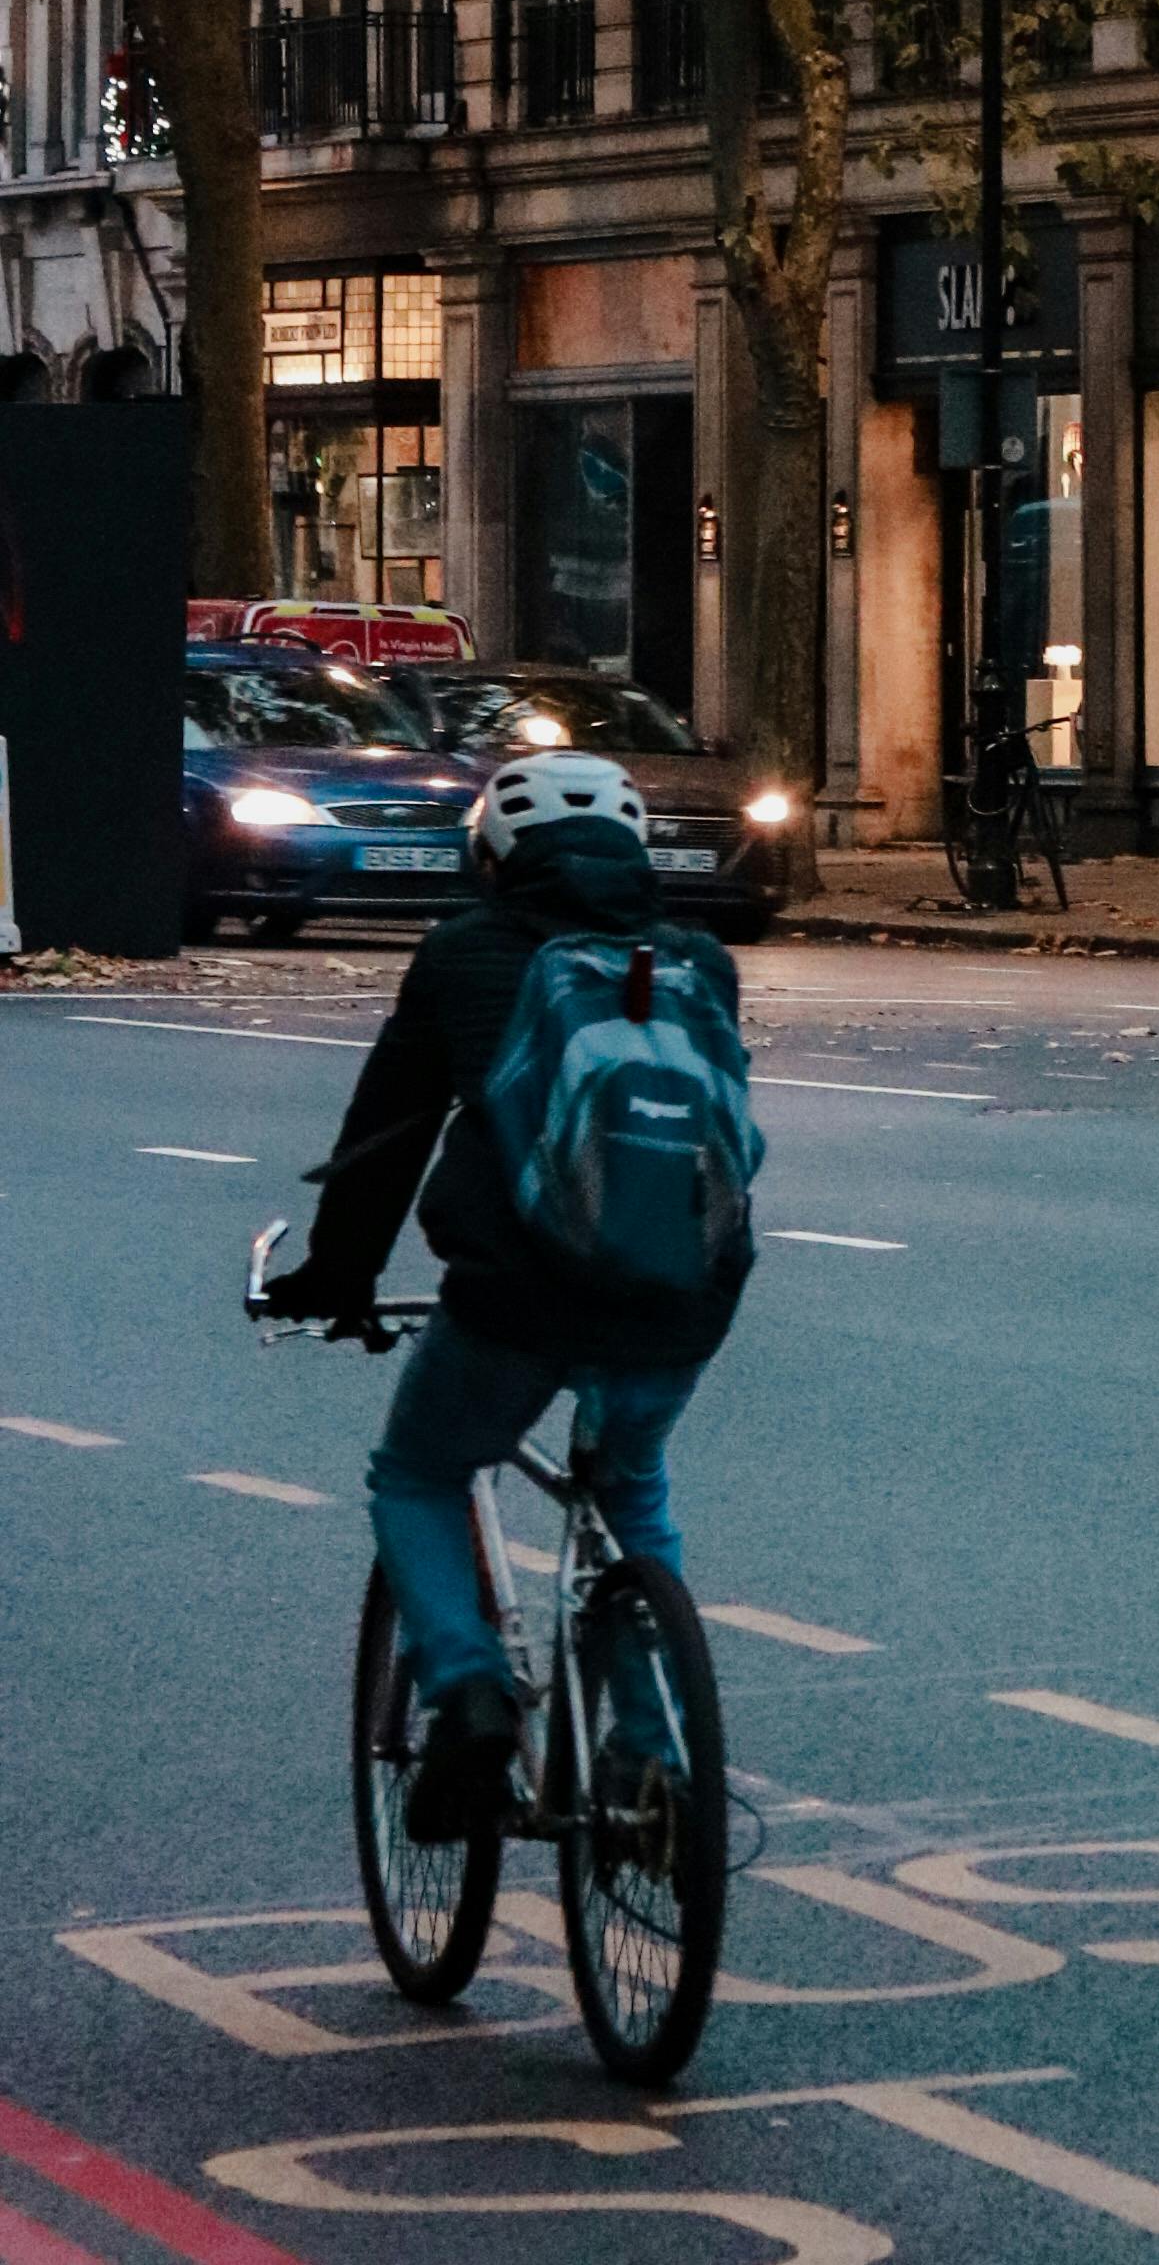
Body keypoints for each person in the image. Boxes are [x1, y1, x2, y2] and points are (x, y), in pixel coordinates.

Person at [255, 748, 751, 1842]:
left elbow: (387, 1134)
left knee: (419, 1474)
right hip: (684, 1295)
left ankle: (470, 1690)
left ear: (490, 857)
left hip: (517, 1296)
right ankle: (655, 1761)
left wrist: (339, 1277)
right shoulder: (696, 960)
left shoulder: (464, 952)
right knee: (629, 1493)